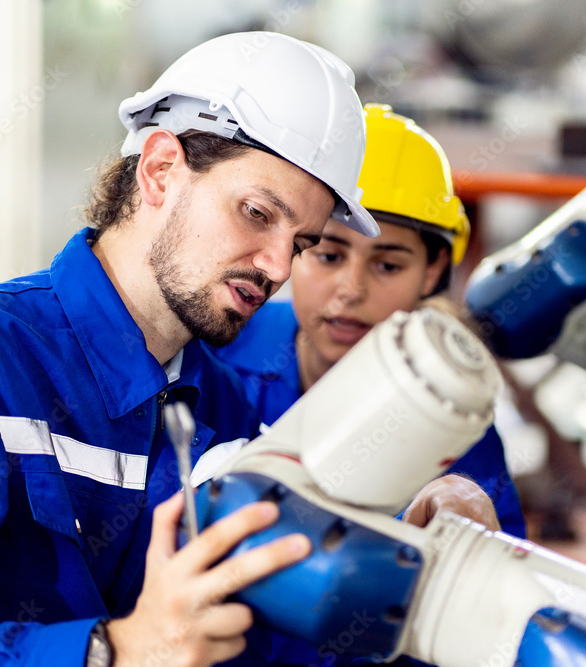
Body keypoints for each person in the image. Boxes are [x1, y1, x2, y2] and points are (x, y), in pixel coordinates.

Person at [0, 32, 381, 667]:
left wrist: (399, 545)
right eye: (258, 213)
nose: (276, 268)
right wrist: (111, 651)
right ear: (159, 170)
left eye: (299, 244)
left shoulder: (224, 412)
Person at [216, 104, 526, 540]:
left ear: (433, 271)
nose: (351, 289)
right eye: (328, 256)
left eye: (387, 266)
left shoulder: (451, 419)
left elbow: (501, 591)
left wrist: (472, 529)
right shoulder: (218, 353)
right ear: (293, 245)